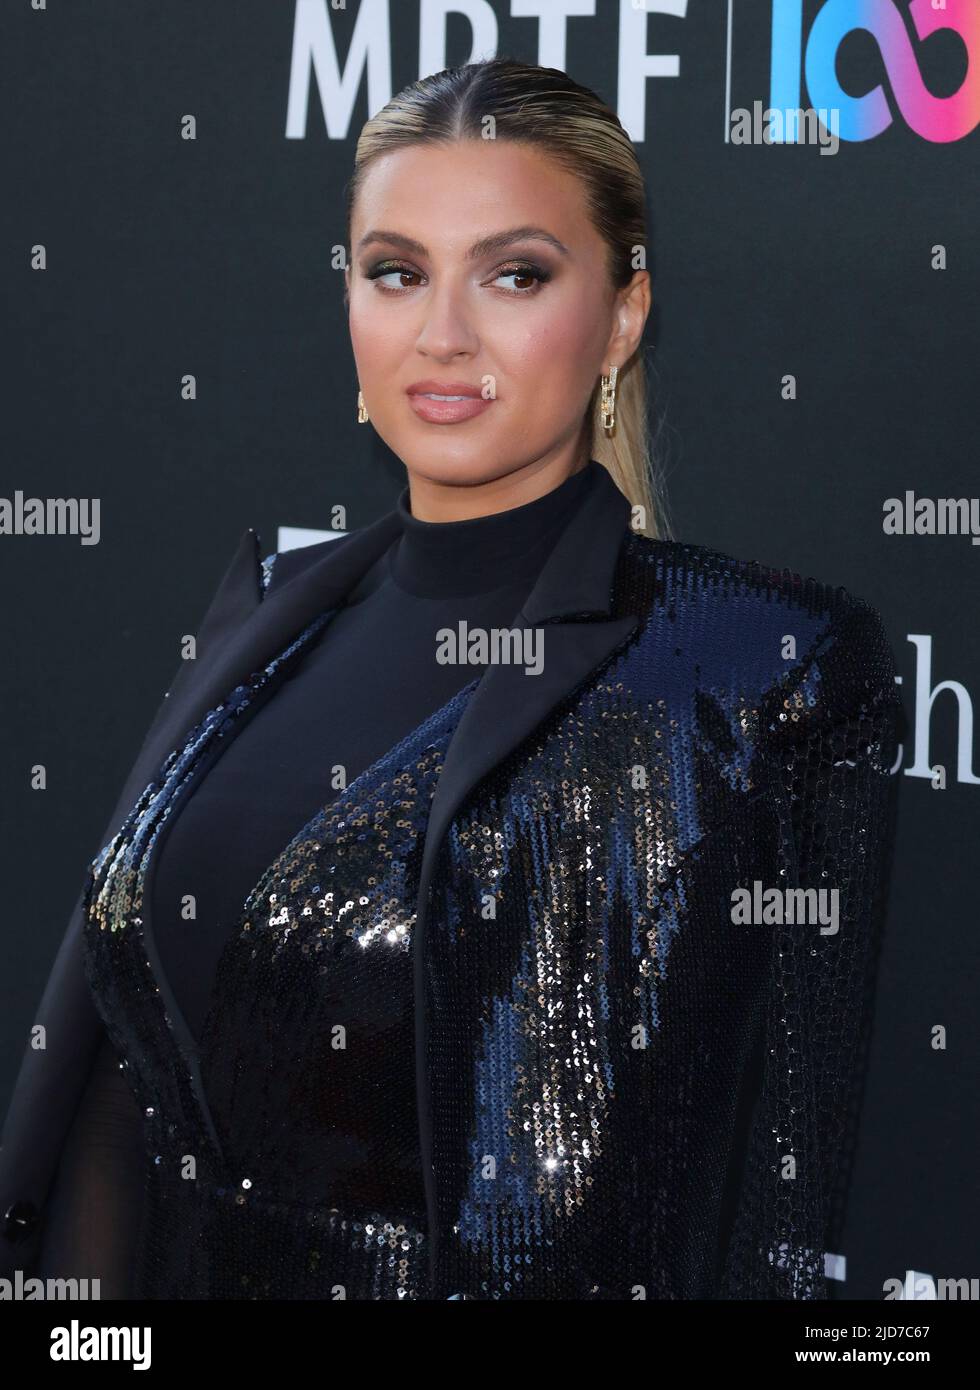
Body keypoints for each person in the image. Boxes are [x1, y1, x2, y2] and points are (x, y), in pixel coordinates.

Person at [0, 58, 902, 1301]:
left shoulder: (745, 665)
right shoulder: (270, 607)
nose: (440, 334)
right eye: (395, 271)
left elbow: (763, 1206)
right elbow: (117, 1081)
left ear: (624, 313)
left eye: (514, 273)